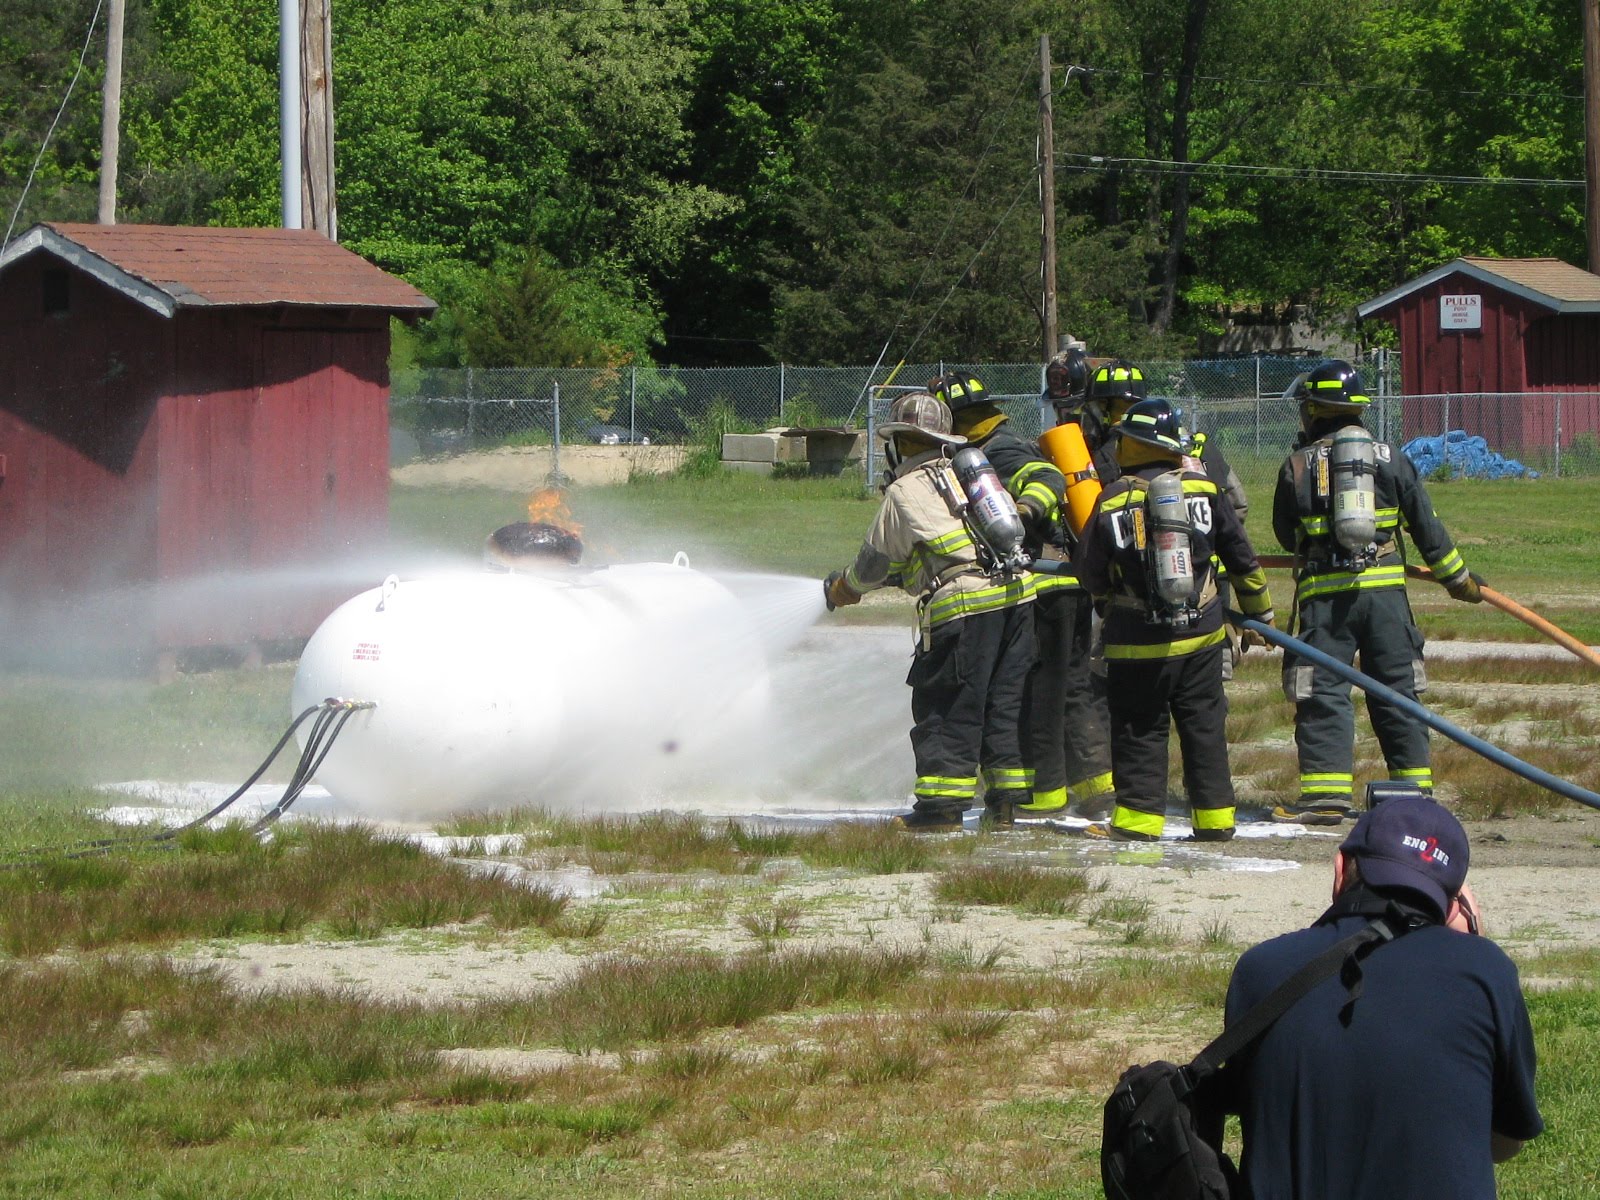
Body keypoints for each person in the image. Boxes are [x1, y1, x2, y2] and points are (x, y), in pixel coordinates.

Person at [1214, 794, 1542, 1198]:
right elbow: (1505, 1143)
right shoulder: (1485, 970)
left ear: (1340, 871)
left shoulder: (1260, 969)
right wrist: (1472, 945)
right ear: (1455, 903)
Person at [1272, 359, 1483, 825]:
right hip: (1387, 595)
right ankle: (1413, 794)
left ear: (1316, 410)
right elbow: (1428, 529)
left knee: (1322, 690)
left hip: (1327, 602)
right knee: (1398, 691)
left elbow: (1287, 535)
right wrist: (1460, 581)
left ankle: (1325, 797)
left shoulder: (1298, 465)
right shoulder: (1393, 458)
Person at [823, 391, 1035, 831]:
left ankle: (940, 811)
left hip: (963, 609)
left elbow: (873, 566)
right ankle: (1005, 807)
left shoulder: (904, 491)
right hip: (1017, 600)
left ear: (900, 442)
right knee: (1002, 704)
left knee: (948, 705)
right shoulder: (970, 473)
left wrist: (844, 588)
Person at [1074, 398, 1274, 841]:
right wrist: (1261, 614)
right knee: (1204, 726)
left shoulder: (1113, 498)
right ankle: (1216, 820)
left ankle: (1139, 823)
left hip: (1135, 641)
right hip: (1201, 635)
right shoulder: (1203, 489)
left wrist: (1110, 595)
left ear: (1137, 446)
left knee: (1139, 728)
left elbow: (1088, 571)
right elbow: (1241, 558)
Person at [1005, 349, 1117, 819]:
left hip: (1054, 578)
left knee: (1043, 685)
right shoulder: (1110, 445)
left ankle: (1047, 791)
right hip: (1088, 574)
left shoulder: (1066, 448)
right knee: (1076, 683)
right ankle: (1097, 788)